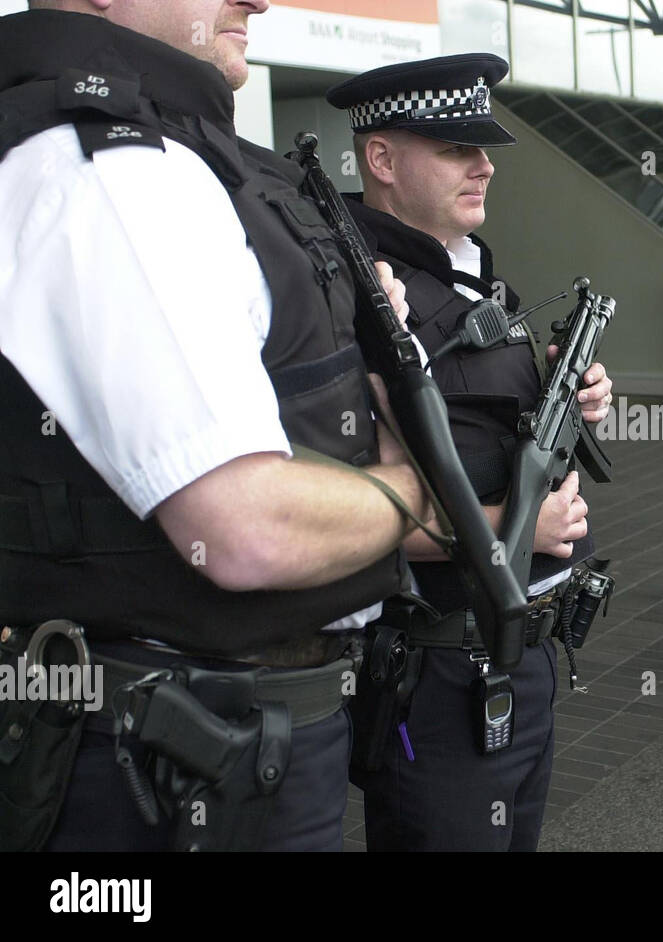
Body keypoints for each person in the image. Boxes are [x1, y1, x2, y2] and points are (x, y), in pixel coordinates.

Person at [0, 0, 449, 851]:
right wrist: (421, 489)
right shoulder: (112, 171)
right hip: (173, 761)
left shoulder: (163, 157)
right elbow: (248, 530)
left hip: (204, 745)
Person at [325, 54, 614, 851]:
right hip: (438, 673)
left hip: (519, 661)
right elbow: (327, 507)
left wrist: (569, 389)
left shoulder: (468, 277)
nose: (485, 164)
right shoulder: (356, 298)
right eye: (456, 148)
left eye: (483, 147)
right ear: (381, 159)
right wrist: (513, 526)